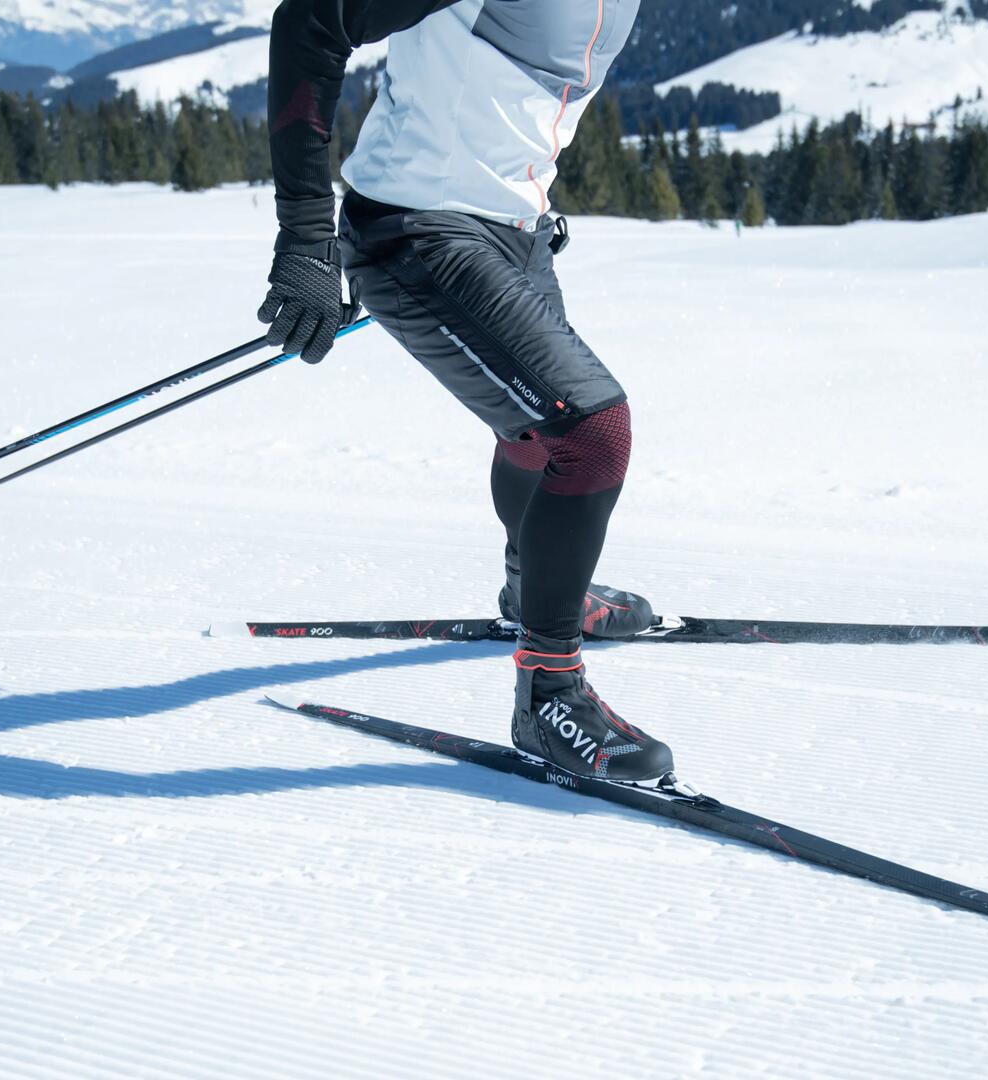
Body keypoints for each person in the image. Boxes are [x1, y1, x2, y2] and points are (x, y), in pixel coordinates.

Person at [258, 0, 676, 787]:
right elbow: (310, 21)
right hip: (416, 229)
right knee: (592, 435)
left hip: (513, 232)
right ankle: (549, 695)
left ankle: (535, 590)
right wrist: (306, 238)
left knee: (535, 430)